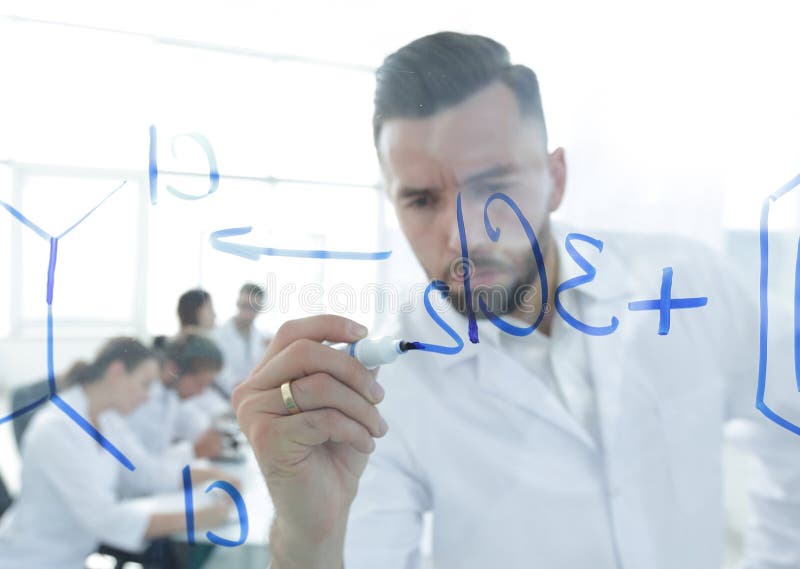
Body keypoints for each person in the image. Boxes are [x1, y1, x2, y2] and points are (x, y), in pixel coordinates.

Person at [231, 32, 800, 569]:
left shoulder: (690, 283)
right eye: (423, 200)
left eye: (492, 187)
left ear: (555, 179)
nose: (461, 236)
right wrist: (307, 539)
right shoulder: (380, 392)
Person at [0, 338, 232, 568]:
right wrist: (193, 519)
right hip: (32, 560)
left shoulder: (108, 420)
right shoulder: (55, 429)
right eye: (145, 384)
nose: (147, 396)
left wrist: (215, 476)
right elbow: (103, 518)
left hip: (71, 558)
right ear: (116, 372)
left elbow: (145, 474)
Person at [125, 334, 227, 469]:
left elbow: (195, 424)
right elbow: (141, 468)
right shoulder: (143, 399)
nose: (200, 393)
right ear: (172, 369)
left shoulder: (171, 394)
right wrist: (193, 452)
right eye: (199, 383)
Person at [213, 283, 271, 398]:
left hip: (254, 397)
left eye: (253, 307)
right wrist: (240, 387)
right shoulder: (217, 336)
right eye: (245, 306)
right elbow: (218, 372)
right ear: (237, 303)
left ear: (260, 309)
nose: (248, 312)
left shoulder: (264, 338)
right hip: (223, 398)